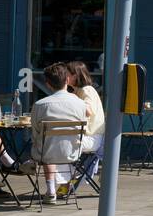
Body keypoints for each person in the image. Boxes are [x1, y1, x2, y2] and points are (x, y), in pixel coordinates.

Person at [29, 62, 89, 204]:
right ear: (67, 80)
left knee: (46, 145)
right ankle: (59, 187)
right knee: (51, 144)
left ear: (48, 84)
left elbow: (35, 133)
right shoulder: (81, 104)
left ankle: (50, 190)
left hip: (46, 153)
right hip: (72, 152)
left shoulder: (40, 105)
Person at [65, 61, 104, 195]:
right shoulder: (79, 91)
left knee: (57, 146)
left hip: (92, 138)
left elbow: (88, 110)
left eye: (67, 73)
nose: (65, 76)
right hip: (86, 136)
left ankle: (63, 181)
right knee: (57, 145)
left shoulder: (87, 90)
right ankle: (64, 181)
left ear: (75, 75)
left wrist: (68, 100)